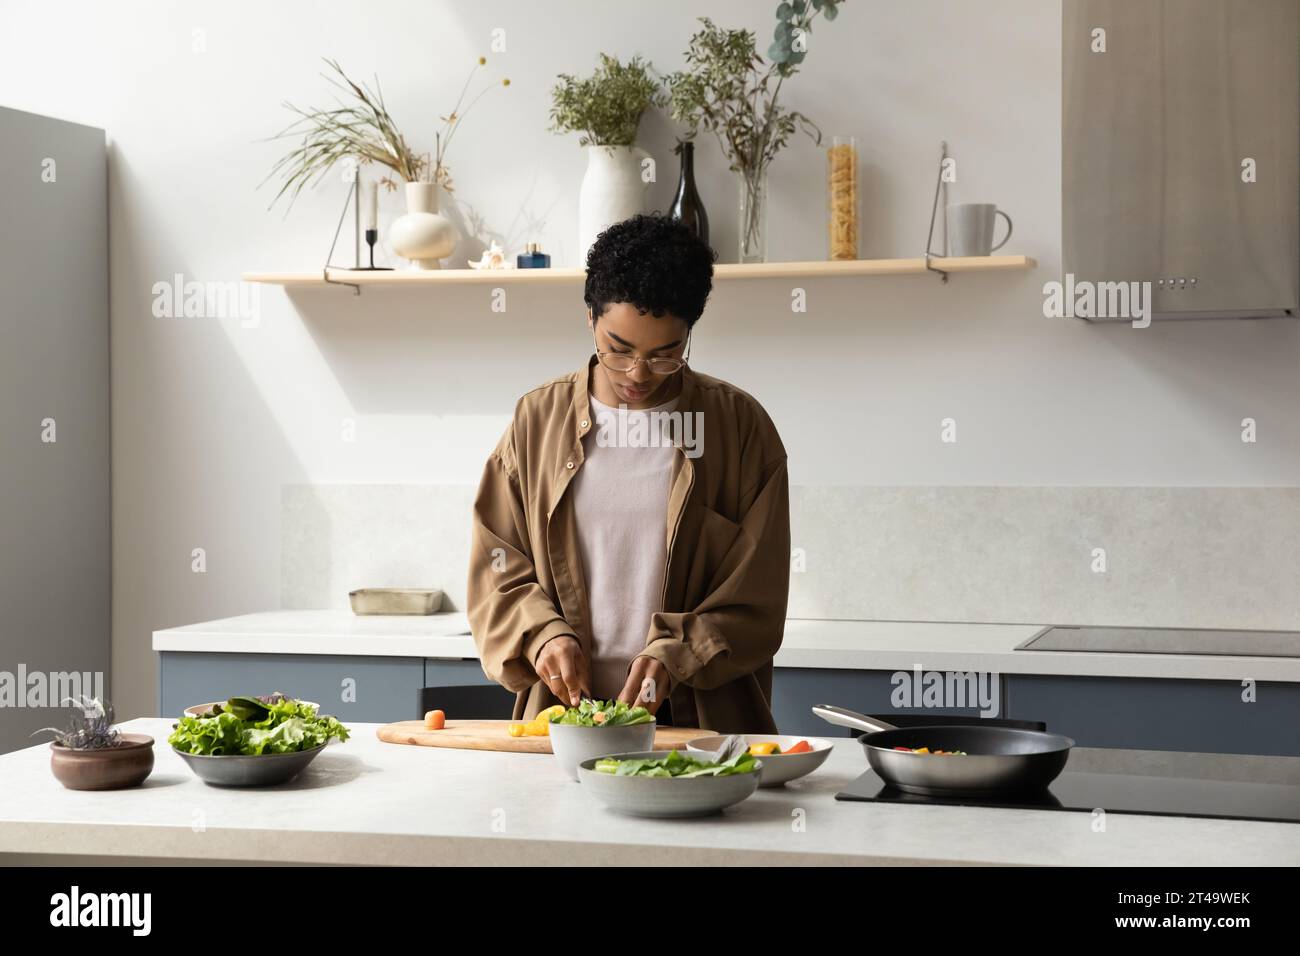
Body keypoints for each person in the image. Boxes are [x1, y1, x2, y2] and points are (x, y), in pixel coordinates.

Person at [466, 213, 790, 733]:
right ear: (590, 317)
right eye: (618, 349)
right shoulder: (536, 422)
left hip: (702, 734)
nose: (638, 374)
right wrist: (543, 634)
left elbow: (758, 600)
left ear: (689, 333)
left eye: (666, 354)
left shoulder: (740, 428)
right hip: (563, 727)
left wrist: (676, 656)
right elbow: (496, 569)